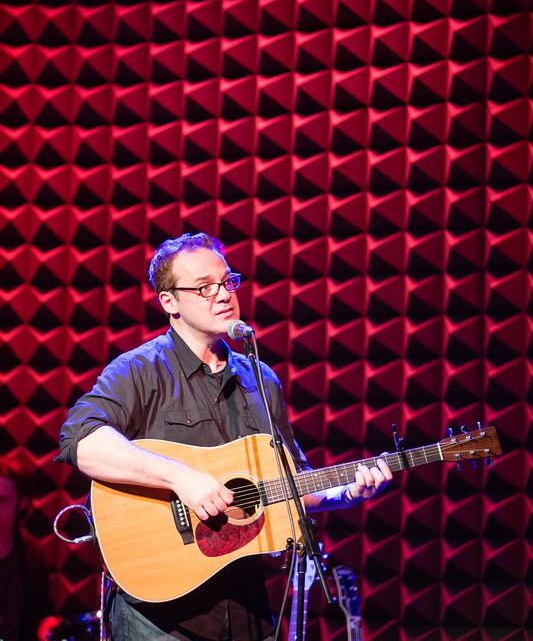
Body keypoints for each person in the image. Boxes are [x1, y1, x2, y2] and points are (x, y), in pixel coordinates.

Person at [56, 232, 392, 641]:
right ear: (169, 302)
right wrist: (180, 477)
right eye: (204, 287)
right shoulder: (138, 371)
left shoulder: (260, 379)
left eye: (228, 281)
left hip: (246, 606)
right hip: (159, 615)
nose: (223, 294)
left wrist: (346, 493)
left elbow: (291, 484)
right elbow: (81, 442)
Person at [0, 456, 59, 641]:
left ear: (22, 502)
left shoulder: (33, 553)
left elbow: (44, 614)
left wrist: (49, 626)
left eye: (1, 499)